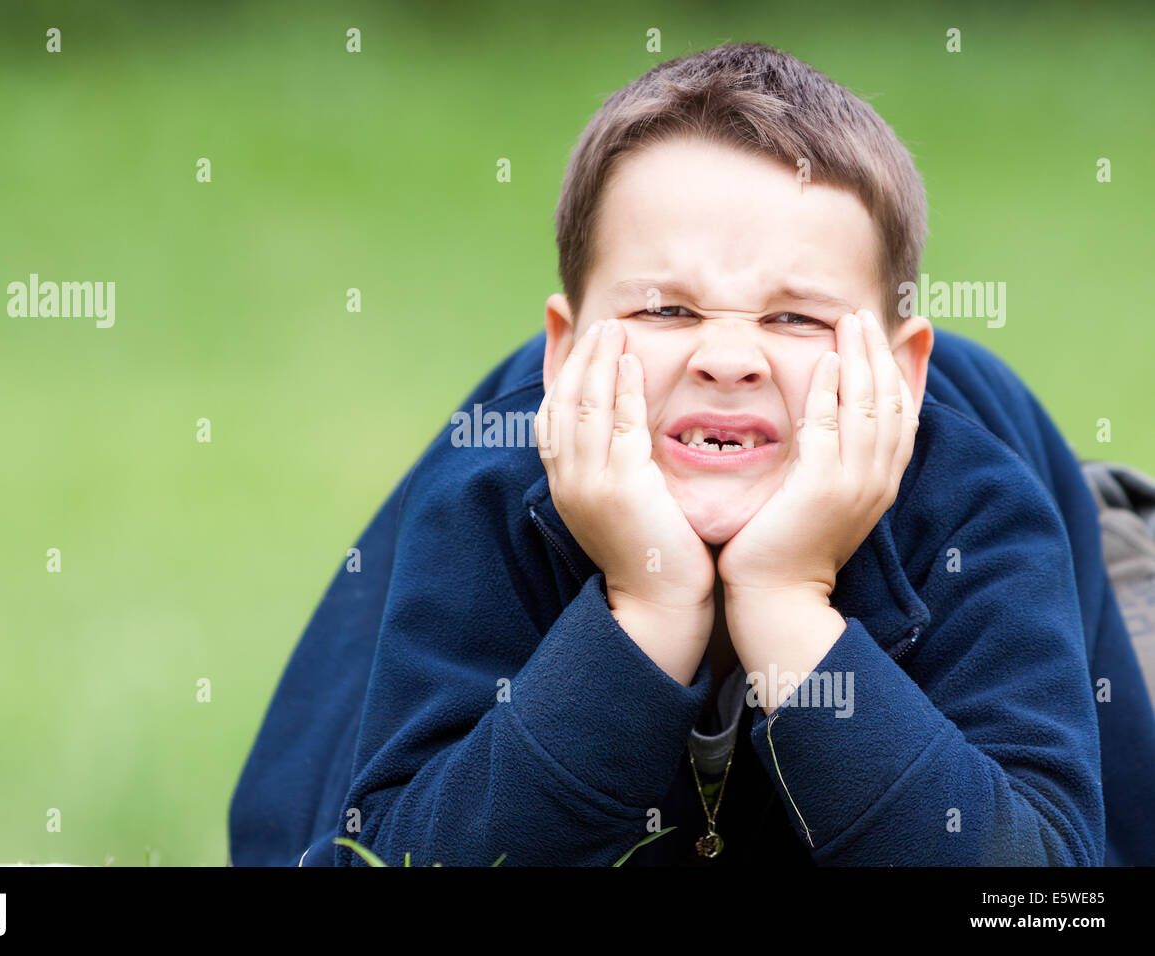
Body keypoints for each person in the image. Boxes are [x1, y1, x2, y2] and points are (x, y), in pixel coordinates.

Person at [229, 42, 1155, 866]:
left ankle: (1121, 541)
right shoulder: (491, 491)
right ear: (565, 349)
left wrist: (789, 604)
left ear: (903, 371)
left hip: (1003, 483)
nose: (725, 355)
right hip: (587, 428)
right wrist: (648, 608)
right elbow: (379, 850)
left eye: (795, 315)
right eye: (666, 308)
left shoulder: (979, 506)